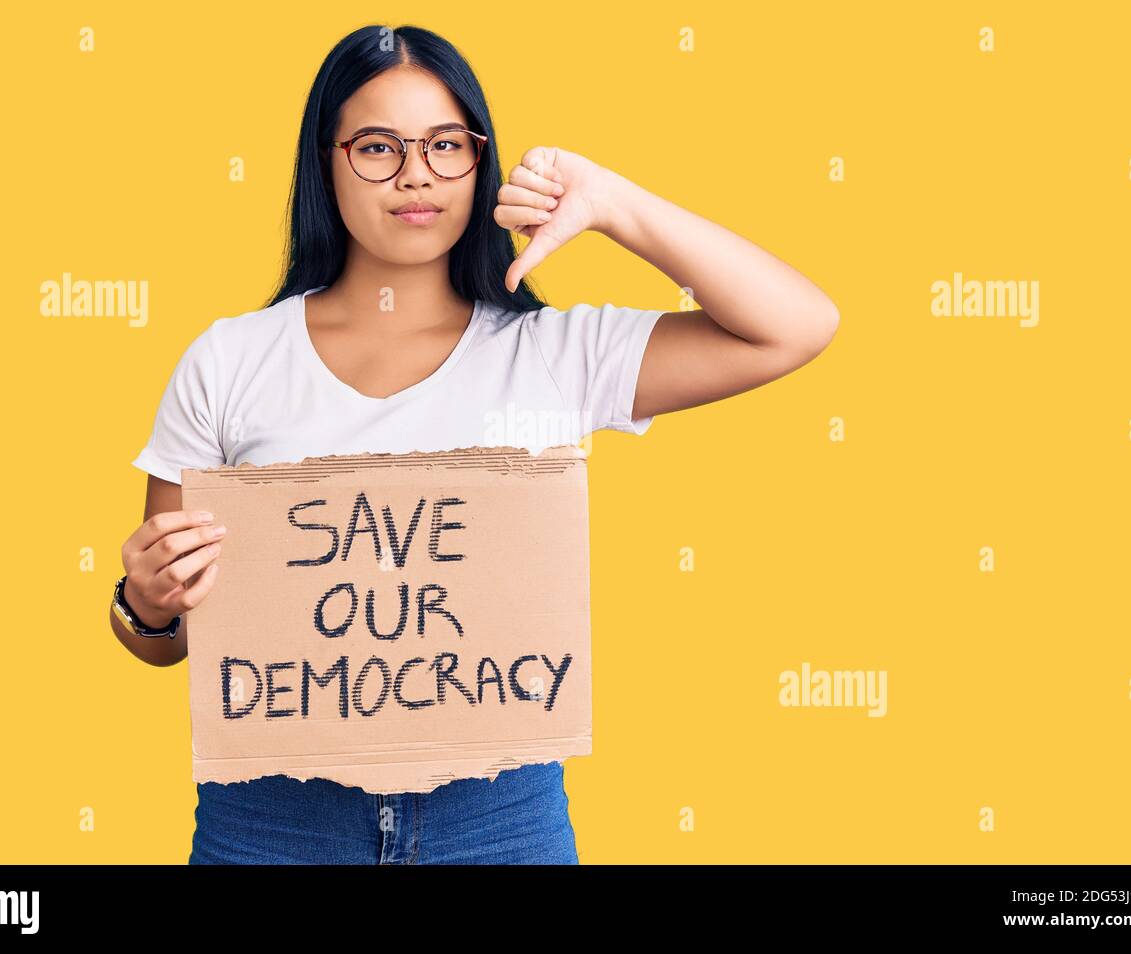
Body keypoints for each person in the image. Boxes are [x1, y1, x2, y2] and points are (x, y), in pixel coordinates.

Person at [110, 24, 840, 865]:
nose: (416, 174)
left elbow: (795, 327)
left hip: (495, 822)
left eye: (446, 145)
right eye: (379, 147)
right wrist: (148, 603)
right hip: (275, 825)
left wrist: (611, 204)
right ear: (326, 162)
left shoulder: (558, 354)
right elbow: (166, 639)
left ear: (479, 162)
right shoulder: (230, 362)